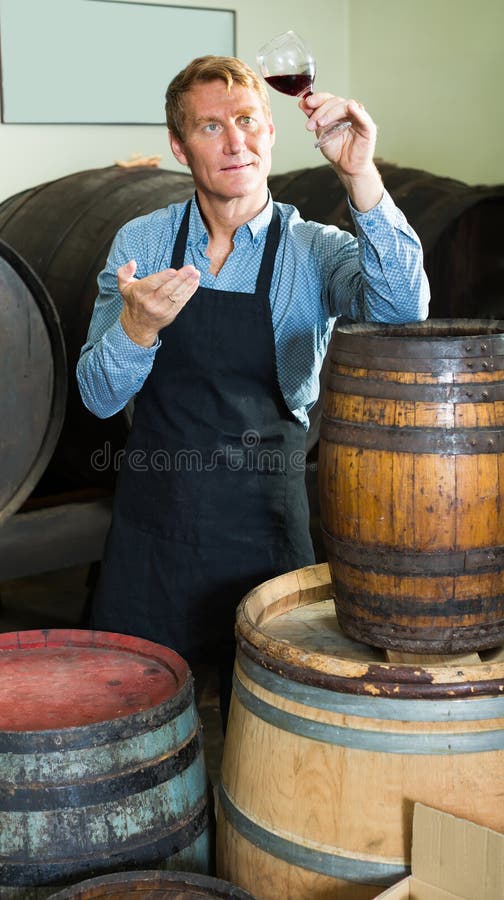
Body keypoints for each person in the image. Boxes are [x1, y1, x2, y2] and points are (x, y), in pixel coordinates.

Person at [77, 55, 429, 727]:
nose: (234, 141)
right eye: (210, 127)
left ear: (270, 129)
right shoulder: (142, 243)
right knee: (139, 720)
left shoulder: (316, 249)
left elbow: (402, 309)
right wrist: (137, 327)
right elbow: (97, 396)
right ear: (181, 148)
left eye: (246, 121)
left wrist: (360, 175)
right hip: (156, 523)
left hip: (264, 528)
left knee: (266, 726)